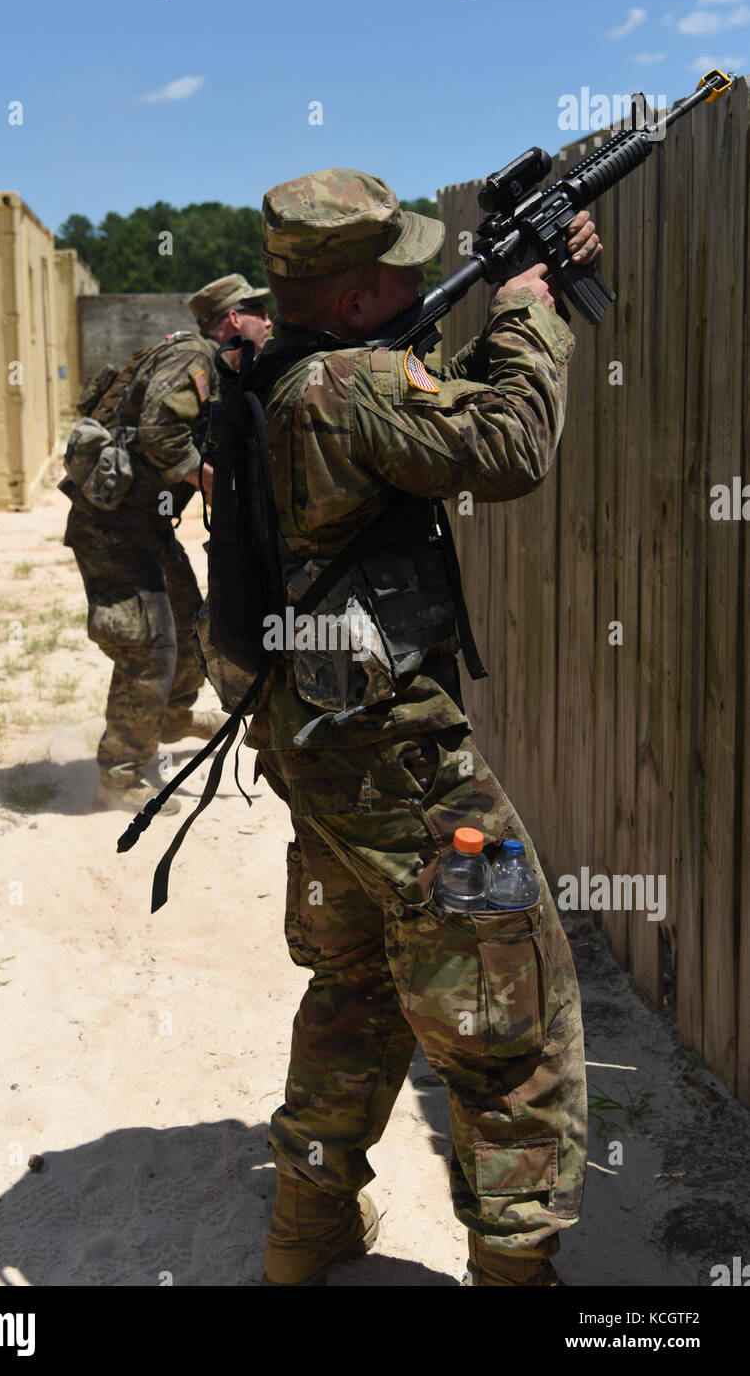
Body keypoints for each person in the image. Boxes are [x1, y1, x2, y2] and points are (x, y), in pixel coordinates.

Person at [241, 169, 602, 1285]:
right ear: (353, 301)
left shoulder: (275, 372)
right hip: (404, 776)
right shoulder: (345, 386)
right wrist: (528, 306)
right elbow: (507, 448)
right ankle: (515, 1274)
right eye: (397, 266)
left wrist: (505, 284)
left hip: (321, 752)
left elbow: (406, 408)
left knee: (354, 991)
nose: (414, 275)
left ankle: (302, 1238)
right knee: (511, 1020)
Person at [61, 274, 272, 813]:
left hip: (142, 523)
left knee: (190, 624)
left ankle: (172, 717)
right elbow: (160, 434)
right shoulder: (194, 357)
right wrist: (215, 485)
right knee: (146, 643)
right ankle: (121, 771)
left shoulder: (208, 362)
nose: (268, 320)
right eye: (257, 311)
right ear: (231, 319)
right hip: (112, 528)